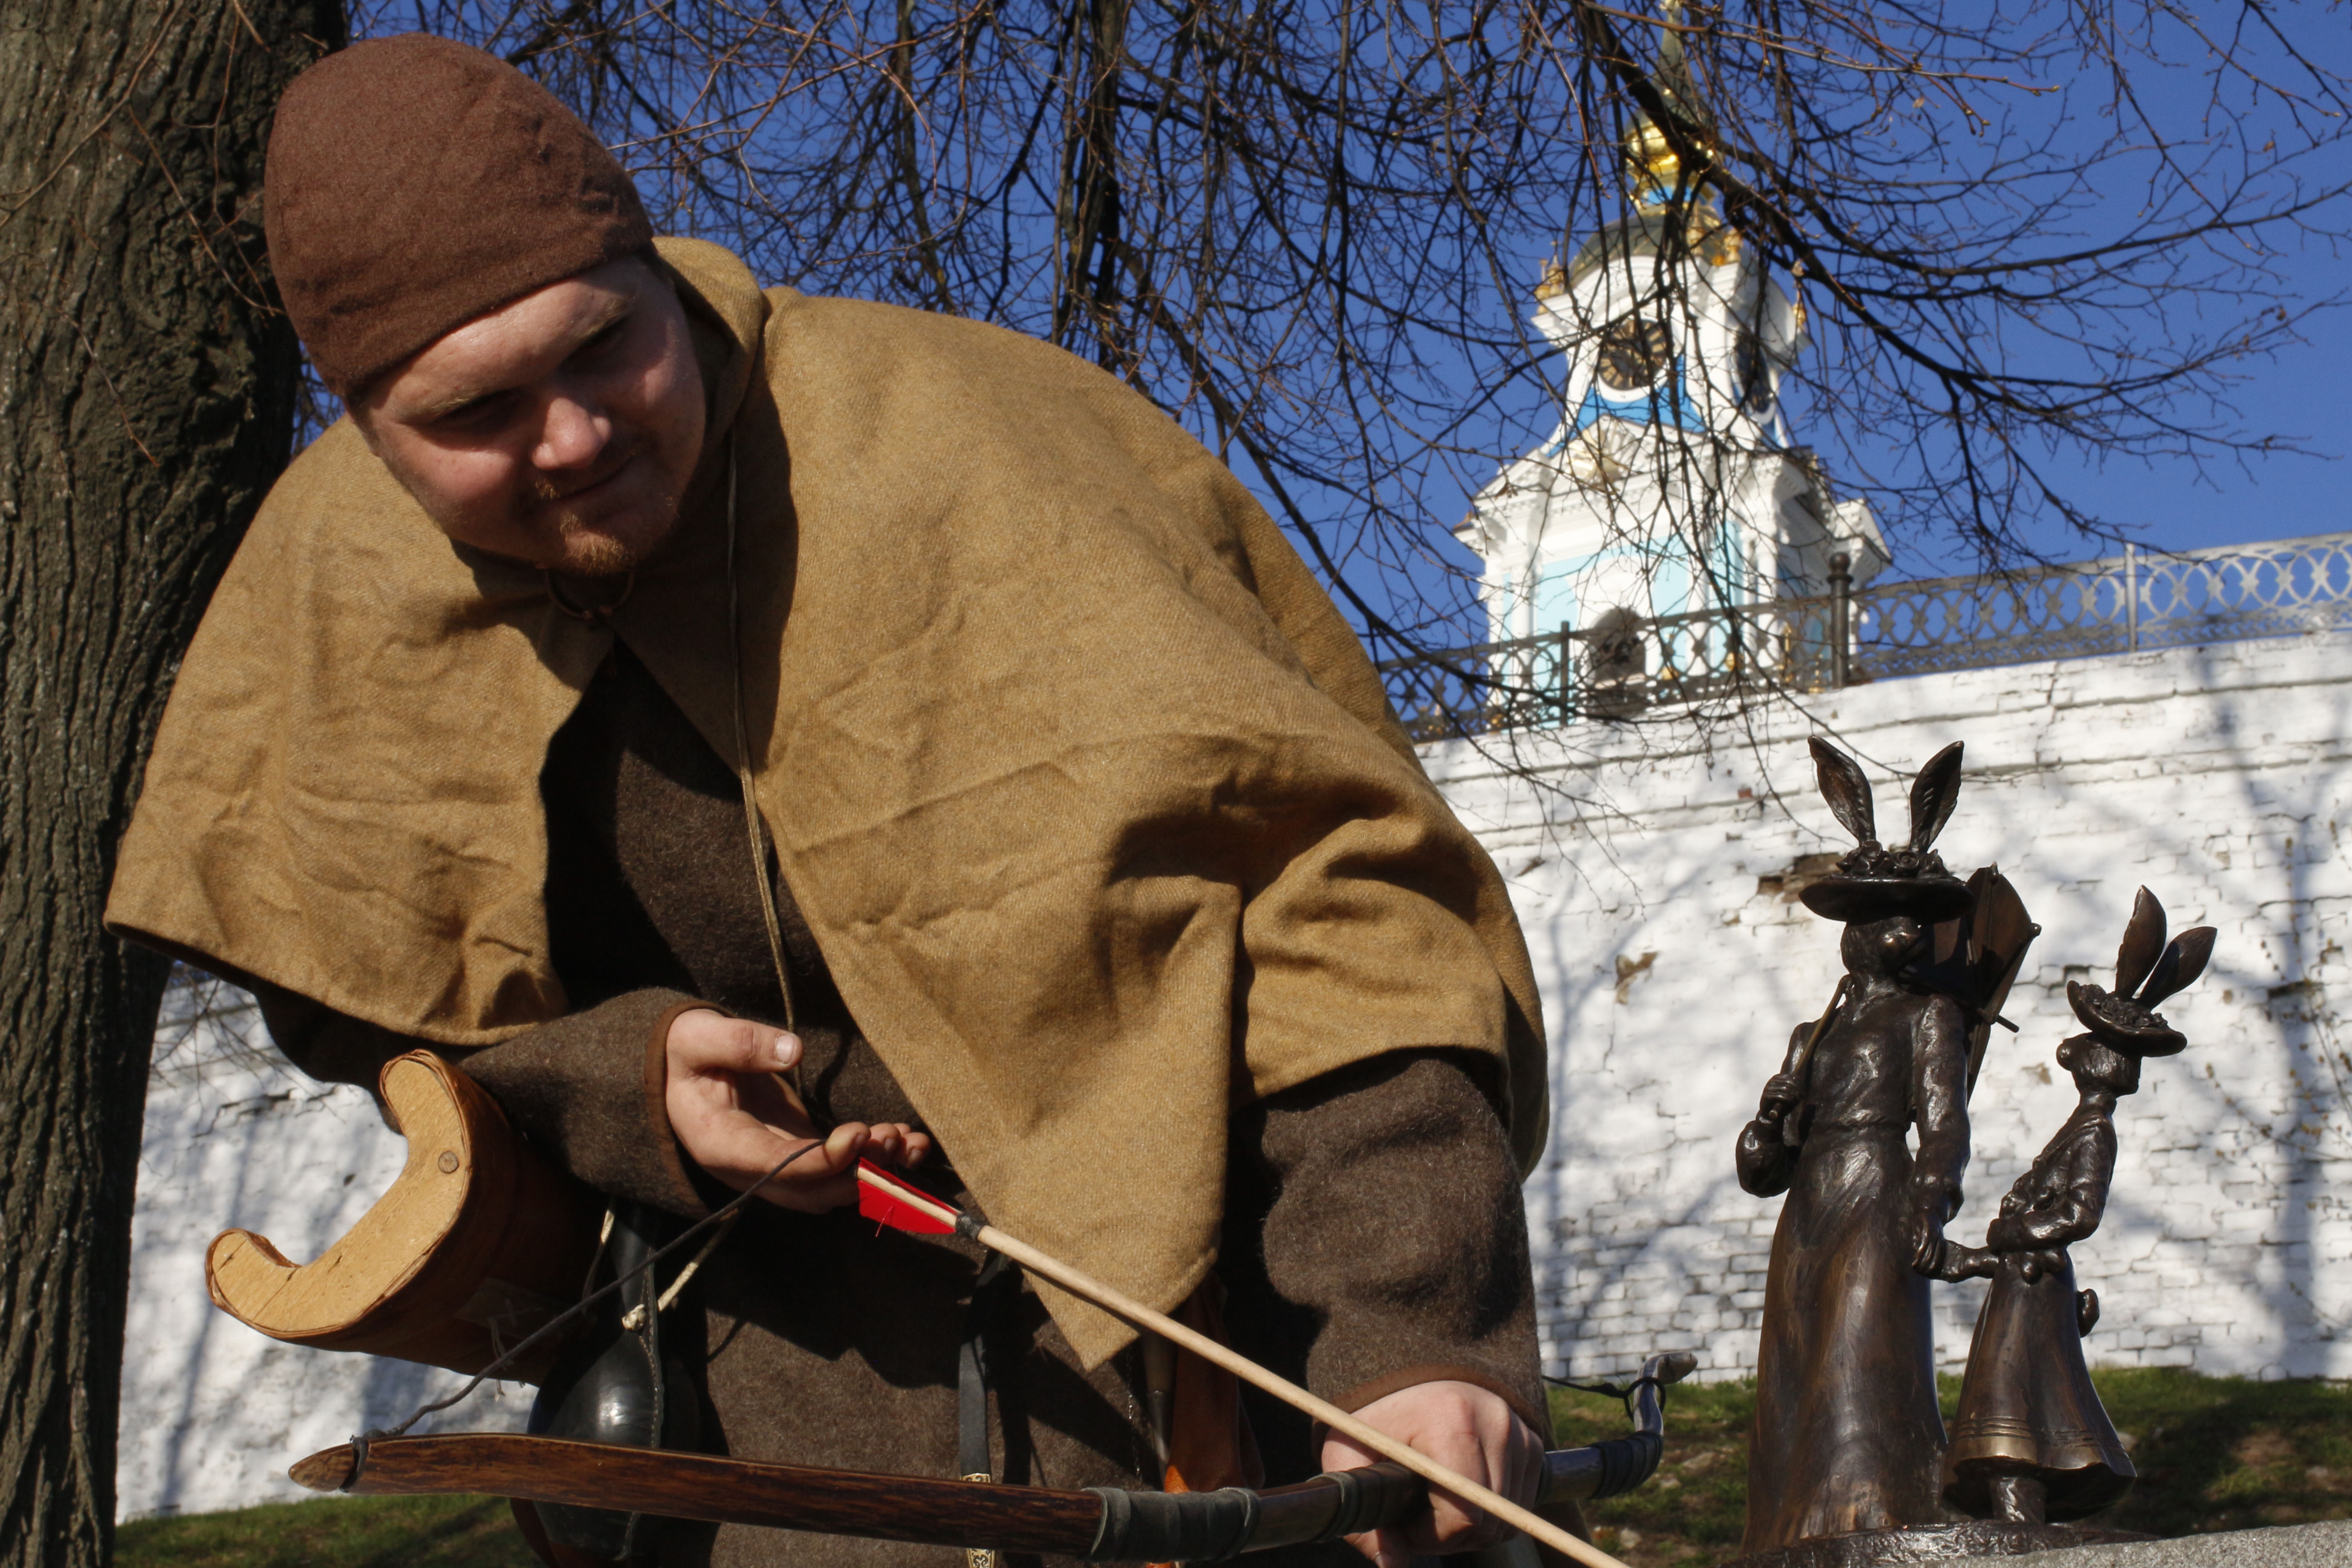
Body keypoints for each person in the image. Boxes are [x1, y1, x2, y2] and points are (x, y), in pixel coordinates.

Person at [103, 32, 1563, 1568]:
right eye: (478, 416)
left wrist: (1412, 1334)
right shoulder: (338, 578)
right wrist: (620, 1074)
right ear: (369, 431)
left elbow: (1339, 892)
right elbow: (351, 971)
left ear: (656, 269)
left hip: (1239, 1386)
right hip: (761, 1457)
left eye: (606, 345)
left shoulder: (974, 444)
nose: (577, 436)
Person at [1733, 740, 1973, 1552]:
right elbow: (1764, 1174)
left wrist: (1929, 1201)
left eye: (1908, 918)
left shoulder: (1926, 1017)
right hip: (1809, 1205)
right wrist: (1771, 1122)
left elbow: (1945, 1125)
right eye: (1879, 920)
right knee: (1796, 1365)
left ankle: (1866, 1518)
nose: (1897, 932)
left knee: (1858, 1356)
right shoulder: (1818, 1030)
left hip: (1876, 1188)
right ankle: (1780, 1531)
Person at [1924, 890, 2213, 1526]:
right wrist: (1979, 1256)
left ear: (2102, 1063)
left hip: (2035, 1283)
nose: (2072, 1050)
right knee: (2010, 1395)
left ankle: (2020, 1506)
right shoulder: (2077, 1126)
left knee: (2018, 1401)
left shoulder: (2093, 1134)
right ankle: (2012, 1505)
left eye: (2087, 1045)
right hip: (2022, 1282)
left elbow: (2081, 1212)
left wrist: (2013, 1231)